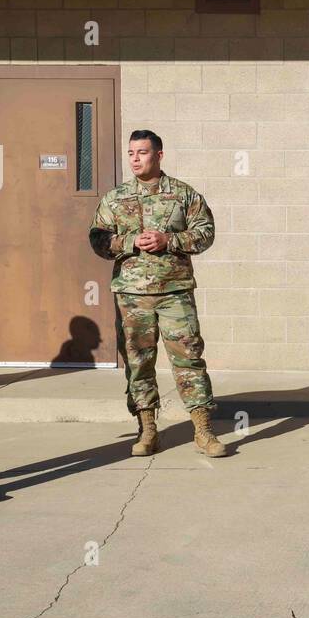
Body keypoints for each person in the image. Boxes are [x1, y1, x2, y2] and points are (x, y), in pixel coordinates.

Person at [89, 129, 226, 459]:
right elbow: (97, 239)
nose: (135, 159)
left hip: (174, 292)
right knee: (138, 364)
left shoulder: (182, 195)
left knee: (189, 359)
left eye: (143, 153)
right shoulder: (114, 198)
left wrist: (170, 241)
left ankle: (203, 430)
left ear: (159, 155)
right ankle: (148, 429)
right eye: (131, 153)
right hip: (132, 295)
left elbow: (205, 233)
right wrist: (129, 242)